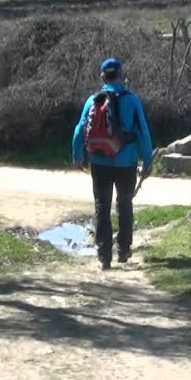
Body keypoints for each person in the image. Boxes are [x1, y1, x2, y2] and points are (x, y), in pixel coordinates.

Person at [72, 56, 154, 270]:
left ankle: (104, 256)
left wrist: (77, 154)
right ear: (121, 74)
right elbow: (143, 130)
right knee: (125, 203)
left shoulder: (93, 100)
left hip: (99, 161)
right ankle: (124, 250)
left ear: (102, 76)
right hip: (126, 161)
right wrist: (147, 159)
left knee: (102, 206)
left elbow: (80, 129)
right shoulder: (132, 99)